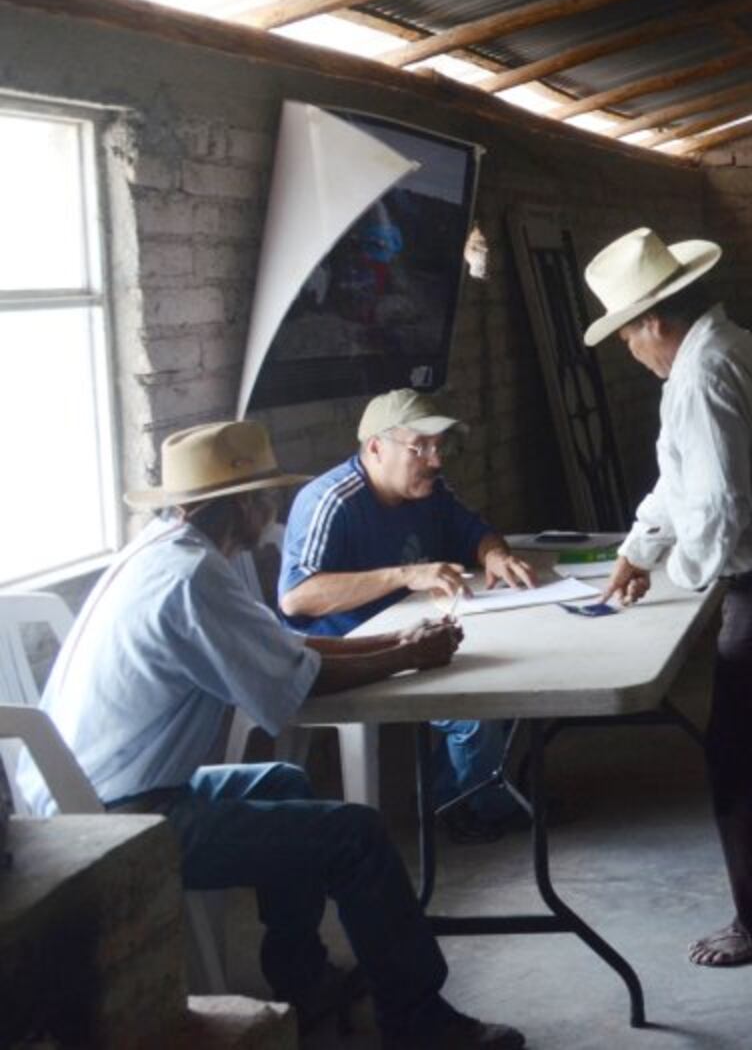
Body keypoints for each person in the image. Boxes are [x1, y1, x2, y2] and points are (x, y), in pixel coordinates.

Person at [17, 421, 523, 1049]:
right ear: (247, 505)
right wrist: (408, 658)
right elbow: (297, 680)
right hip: (119, 819)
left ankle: (302, 979)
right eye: (268, 498)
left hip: (86, 791)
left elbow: (277, 647)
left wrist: (395, 642)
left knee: (287, 780)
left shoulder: (166, 551)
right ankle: (419, 1019)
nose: (274, 509)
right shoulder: (192, 579)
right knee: (357, 836)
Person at [585, 227, 752, 969]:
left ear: (651, 323)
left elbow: (717, 508)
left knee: (742, 762)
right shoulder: (728, 346)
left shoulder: (702, 374)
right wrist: (639, 549)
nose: (631, 354)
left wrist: (689, 584)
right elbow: (682, 486)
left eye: (628, 339)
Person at [278, 390, 536, 845]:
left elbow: (472, 528)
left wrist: (493, 554)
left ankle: (448, 796)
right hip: (351, 652)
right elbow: (296, 599)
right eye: (421, 447)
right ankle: (474, 806)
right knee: (476, 707)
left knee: (524, 669)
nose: (436, 460)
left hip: (411, 634)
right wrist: (405, 575)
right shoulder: (333, 500)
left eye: (441, 447)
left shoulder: (427, 490)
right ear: (376, 447)